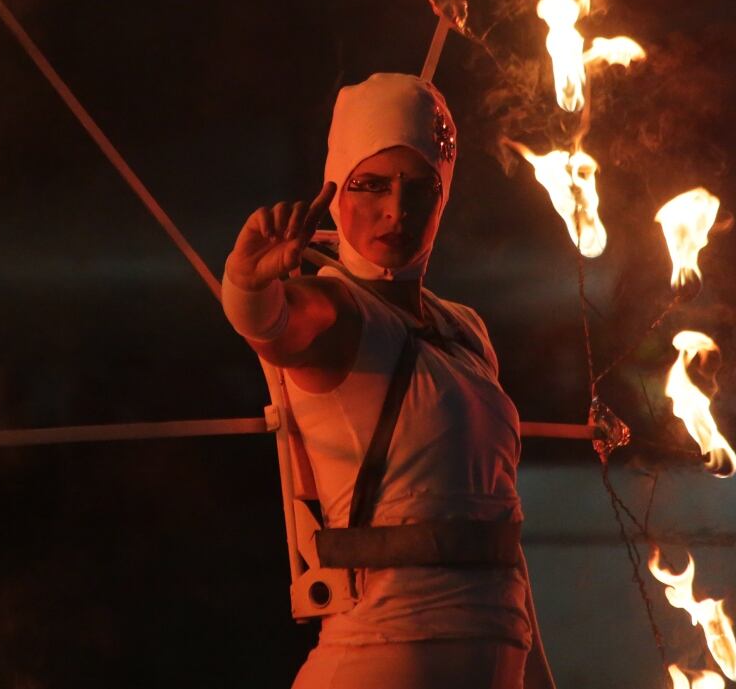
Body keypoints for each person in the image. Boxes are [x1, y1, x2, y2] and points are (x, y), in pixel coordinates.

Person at [221, 74, 556, 689]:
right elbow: (273, 323)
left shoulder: (467, 330)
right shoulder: (338, 310)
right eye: (370, 185)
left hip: (497, 648)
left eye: (419, 189)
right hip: (379, 651)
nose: (396, 211)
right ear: (335, 189)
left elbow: (498, 524)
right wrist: (247, 284)